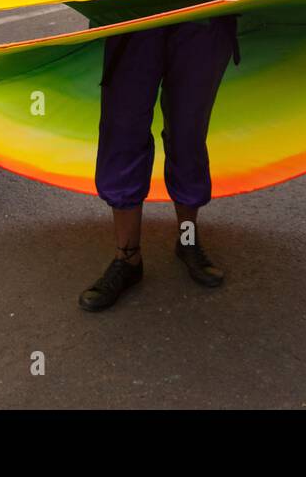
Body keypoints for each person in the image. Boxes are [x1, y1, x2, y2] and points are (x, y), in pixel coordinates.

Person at [79, 16, 240, 311]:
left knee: (188, 132)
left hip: (204, 5)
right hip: (135, 7)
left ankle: (188, 241)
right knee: (123, 131)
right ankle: (127, 258)